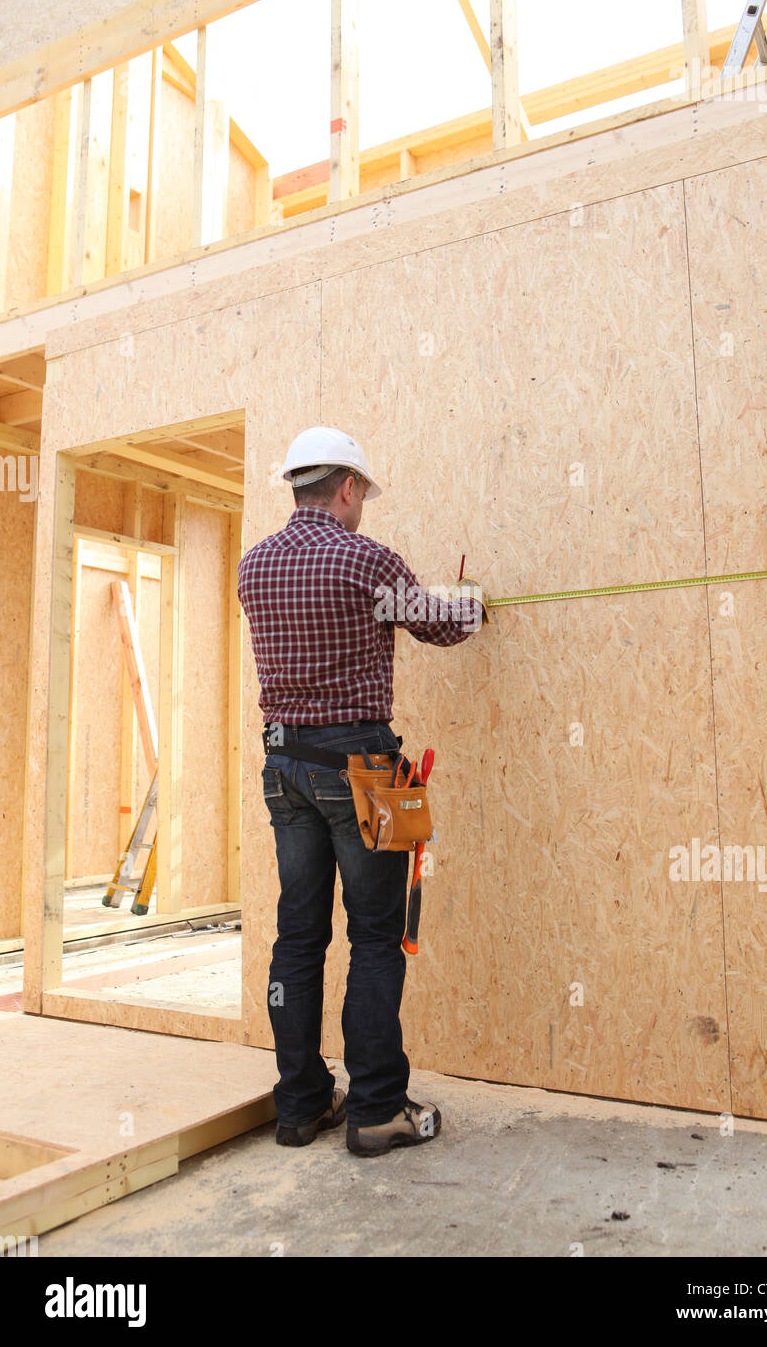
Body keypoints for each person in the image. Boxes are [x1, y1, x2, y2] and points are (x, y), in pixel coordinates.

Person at [237, 425, 489, 1157]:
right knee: (375, 937)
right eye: (361, 495)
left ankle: (301, 1105)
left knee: (298, 937)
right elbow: (437, 626)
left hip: (284, 767)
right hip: (360, 771)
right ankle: (377, 1108)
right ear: (347, 488)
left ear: (299, 485)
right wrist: (469, 601)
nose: (361, 506)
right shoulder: (362, 559)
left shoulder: (255, 566)